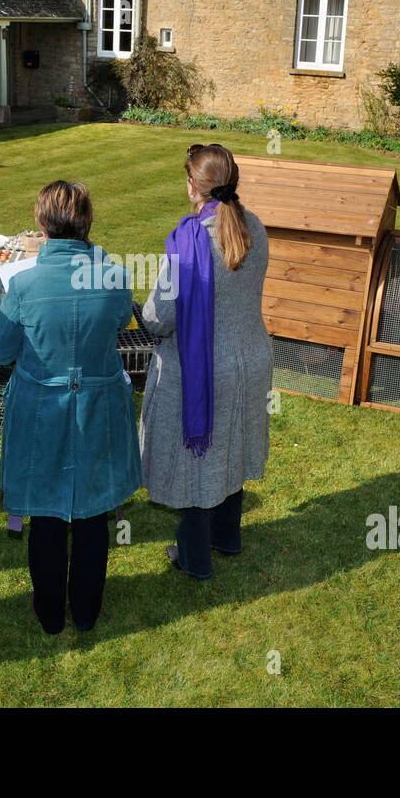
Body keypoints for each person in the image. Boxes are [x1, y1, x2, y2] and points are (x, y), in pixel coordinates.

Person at [0, 181, 140, 634]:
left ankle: (50, 613)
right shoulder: (113, 277)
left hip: (43, 411)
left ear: (41, 223)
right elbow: (120, 319)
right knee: (93, 511)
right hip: (97, 409)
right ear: (87, 222)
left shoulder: (23, 283)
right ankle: (86, 611)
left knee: (47, 513)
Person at [139, 144, 271, 580]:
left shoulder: (189, 240)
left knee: (197, 462)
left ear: (193, 186)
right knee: (231, 445)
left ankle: (195, 558)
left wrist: (137, 308)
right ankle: (226, 537)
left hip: (203, 368)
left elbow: (160, 318)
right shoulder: (255, 226)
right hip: (250, 358)